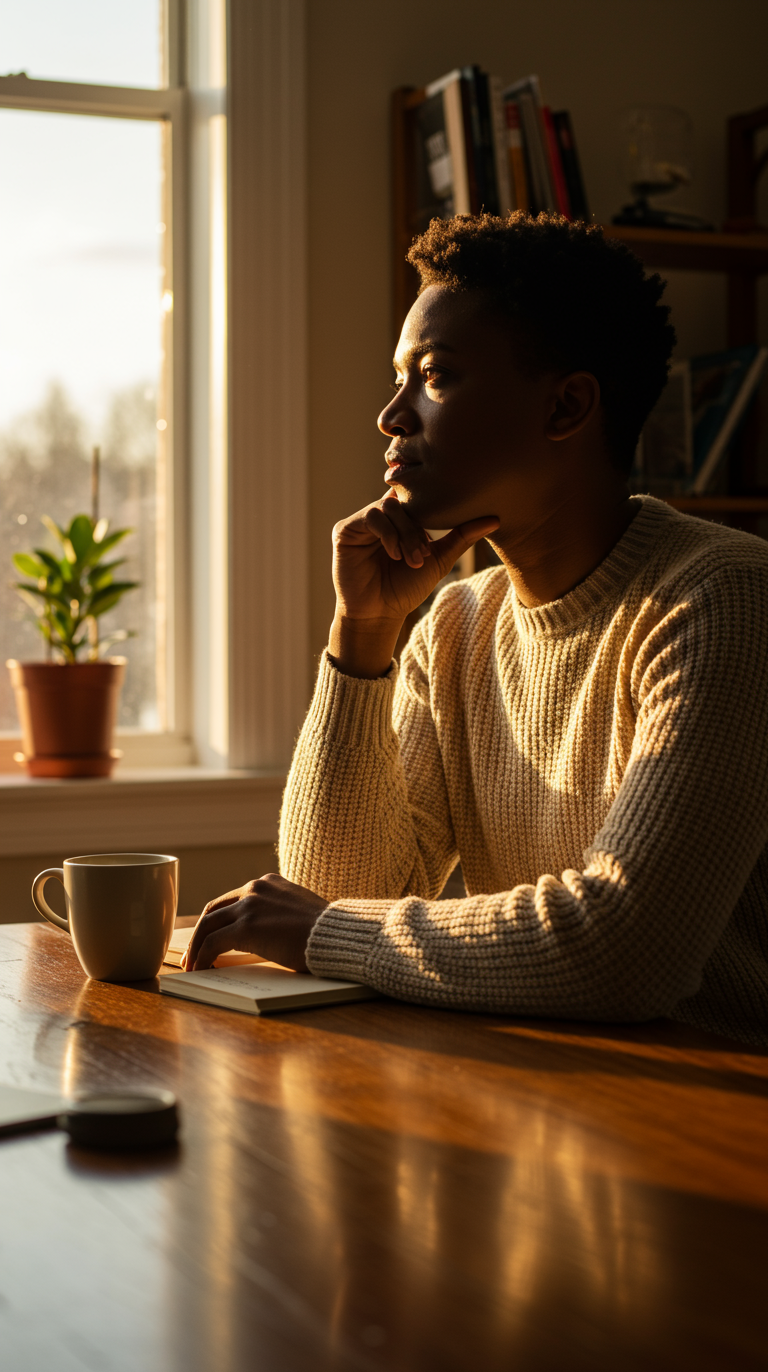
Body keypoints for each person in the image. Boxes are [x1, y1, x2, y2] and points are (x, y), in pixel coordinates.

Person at [184, 212, 768, 1046]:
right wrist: (364, 637)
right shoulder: (457, 623)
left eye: (436, 377)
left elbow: (625, 950)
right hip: (545, 1100)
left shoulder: (723, 600)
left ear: (567, 405)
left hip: (720, 1121)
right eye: (399, 378)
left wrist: (324, 930)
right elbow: (340, 885)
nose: (391, 416)